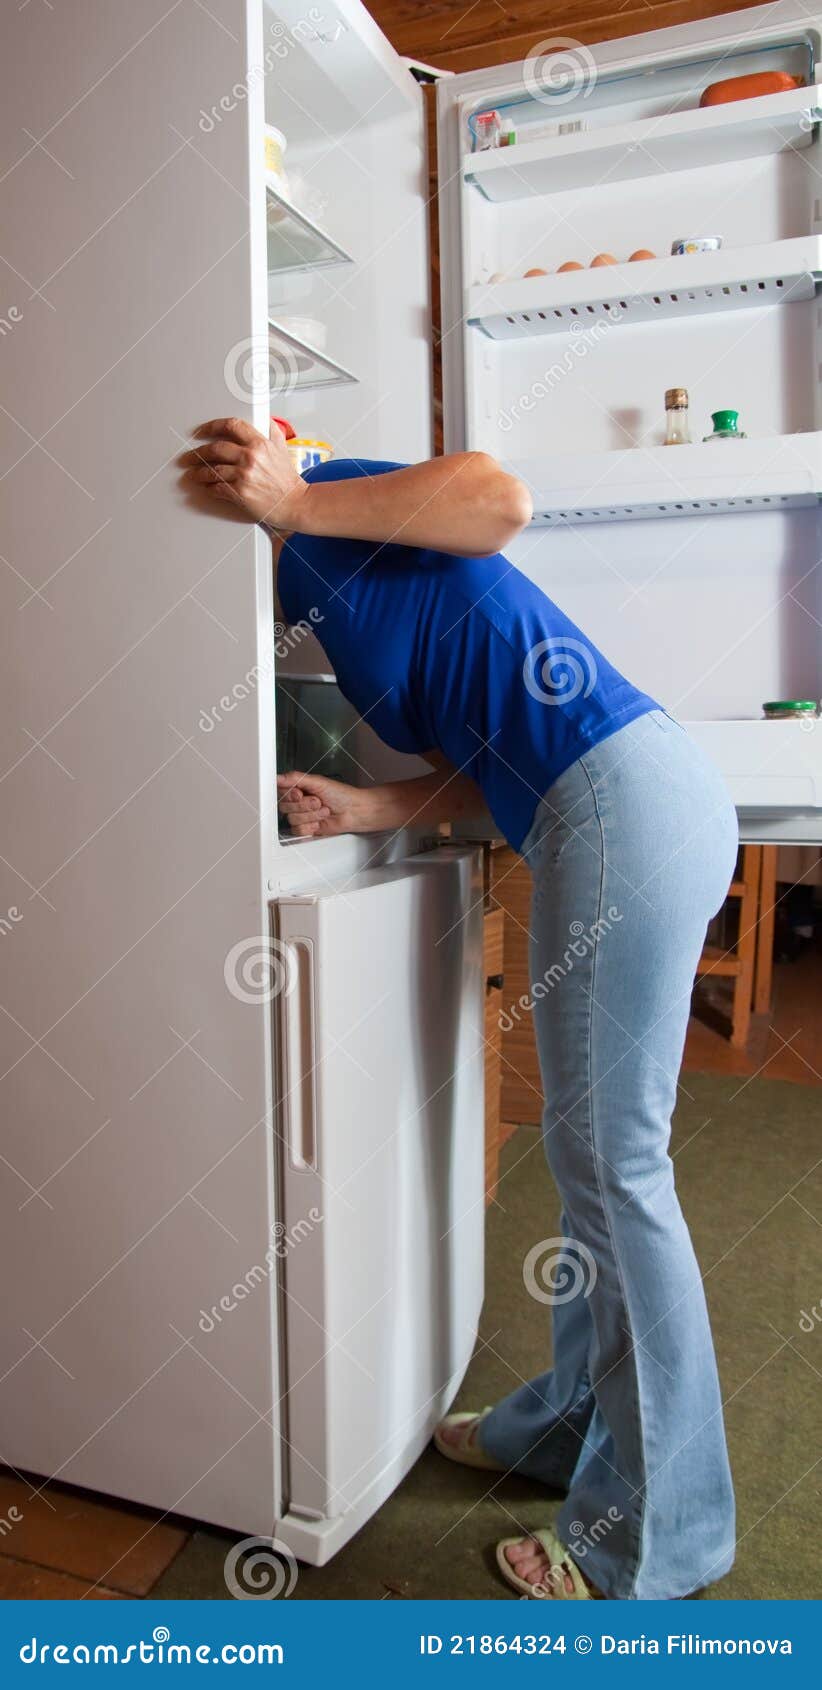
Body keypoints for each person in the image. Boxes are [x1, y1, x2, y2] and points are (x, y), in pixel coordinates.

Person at [182, 417, 738, 1602]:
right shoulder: (305, 579)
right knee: (599, 1173)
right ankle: (560, 1431)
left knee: (618, 1170)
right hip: (622, 798)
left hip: (623, 801)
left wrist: (296, 496)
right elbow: (485, 753)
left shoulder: (334, 498)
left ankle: (653, 1537)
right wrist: (371, 806)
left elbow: (498, 497)